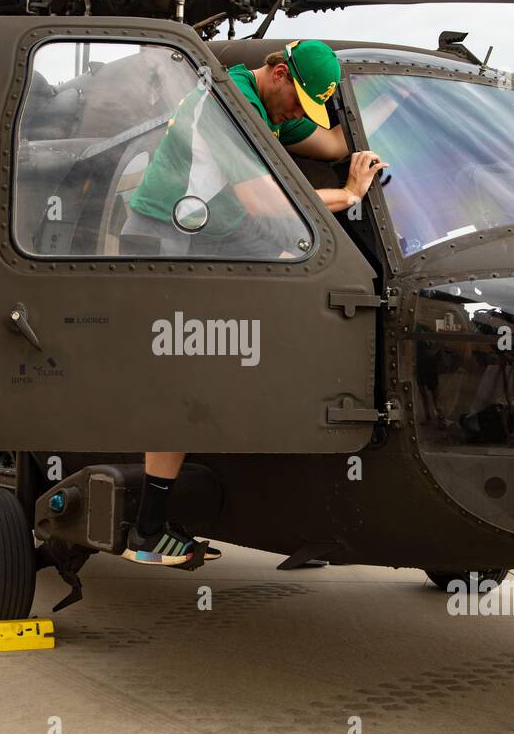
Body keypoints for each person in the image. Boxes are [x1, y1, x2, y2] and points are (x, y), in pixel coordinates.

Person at [121, 39, 388, 566]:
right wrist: (351, 195)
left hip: (211, 229)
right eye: (298, 103)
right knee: (183, 376)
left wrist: (390, 107)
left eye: (307, 111)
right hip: (166, 235)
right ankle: (146, 531)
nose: (297, 116)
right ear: (278, 72)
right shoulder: (228, 102)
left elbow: (333, 147)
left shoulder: (271, 107)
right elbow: (268, 202)